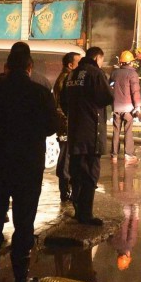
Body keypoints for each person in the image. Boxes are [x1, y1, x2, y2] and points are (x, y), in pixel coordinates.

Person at [0, 42, 61, 282]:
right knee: (24, 221)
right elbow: (51, 127)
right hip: (27, 165)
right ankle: (20, 280)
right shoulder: (39, 94)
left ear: (6, 66)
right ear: (29, 67)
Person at [67, 46, 114, 224]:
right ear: (97, 58)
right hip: (91, 133)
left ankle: (78, 210)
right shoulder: (95, 74)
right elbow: (107, 97)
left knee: (77, 172)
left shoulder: (72, 74)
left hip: (75, 131)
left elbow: (65, 102)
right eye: (101, 60)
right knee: (90, 173)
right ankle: (86, 214)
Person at [51, 52, 80, 203]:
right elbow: (59, 106)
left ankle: (66, 188)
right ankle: (65, 190)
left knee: (66, 156)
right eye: (78, 63)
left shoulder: (66, 78)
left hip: (66, 124)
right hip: (66, 125)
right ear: (70, 65)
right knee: (66, 157)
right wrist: (67, 122)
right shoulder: (65, 79)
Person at [110, 50, 141, 162]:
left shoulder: (114, 73)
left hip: (116, 107)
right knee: (128, 131)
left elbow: (111, 88)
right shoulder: (133, 74)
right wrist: (137, 107)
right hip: (128, 109)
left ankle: (114, 155)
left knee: (116, 131)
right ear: (131, 62)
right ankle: (128, 155)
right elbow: (135, 92)